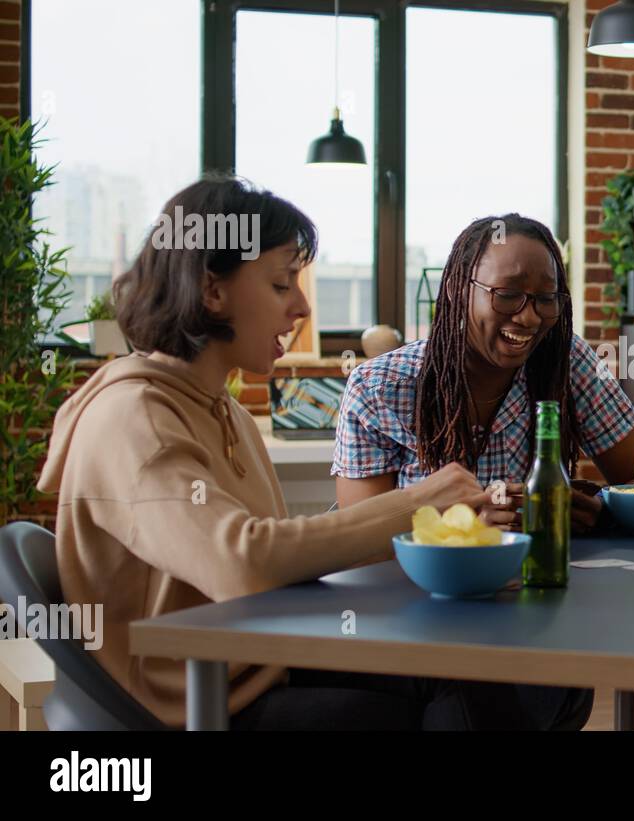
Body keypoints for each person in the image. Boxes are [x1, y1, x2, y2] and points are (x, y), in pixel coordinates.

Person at [36, 177, 589, 730]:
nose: (302, 306)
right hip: (202, 702)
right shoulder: (134, 417)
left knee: (526, 676)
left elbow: (270, 556)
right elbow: (244, 562)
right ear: (212, 291)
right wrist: (422, 504)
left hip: (261, 663)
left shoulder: (219, 408)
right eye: (281, 285)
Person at [333, 213, 634, 534]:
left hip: (545, 578)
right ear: (457, 289)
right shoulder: (379, 388)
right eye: (507, 295)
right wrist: (469, 529)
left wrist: (604, 512)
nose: (529, 317)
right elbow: (360, 539)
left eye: (547, 299)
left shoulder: (567, 362)